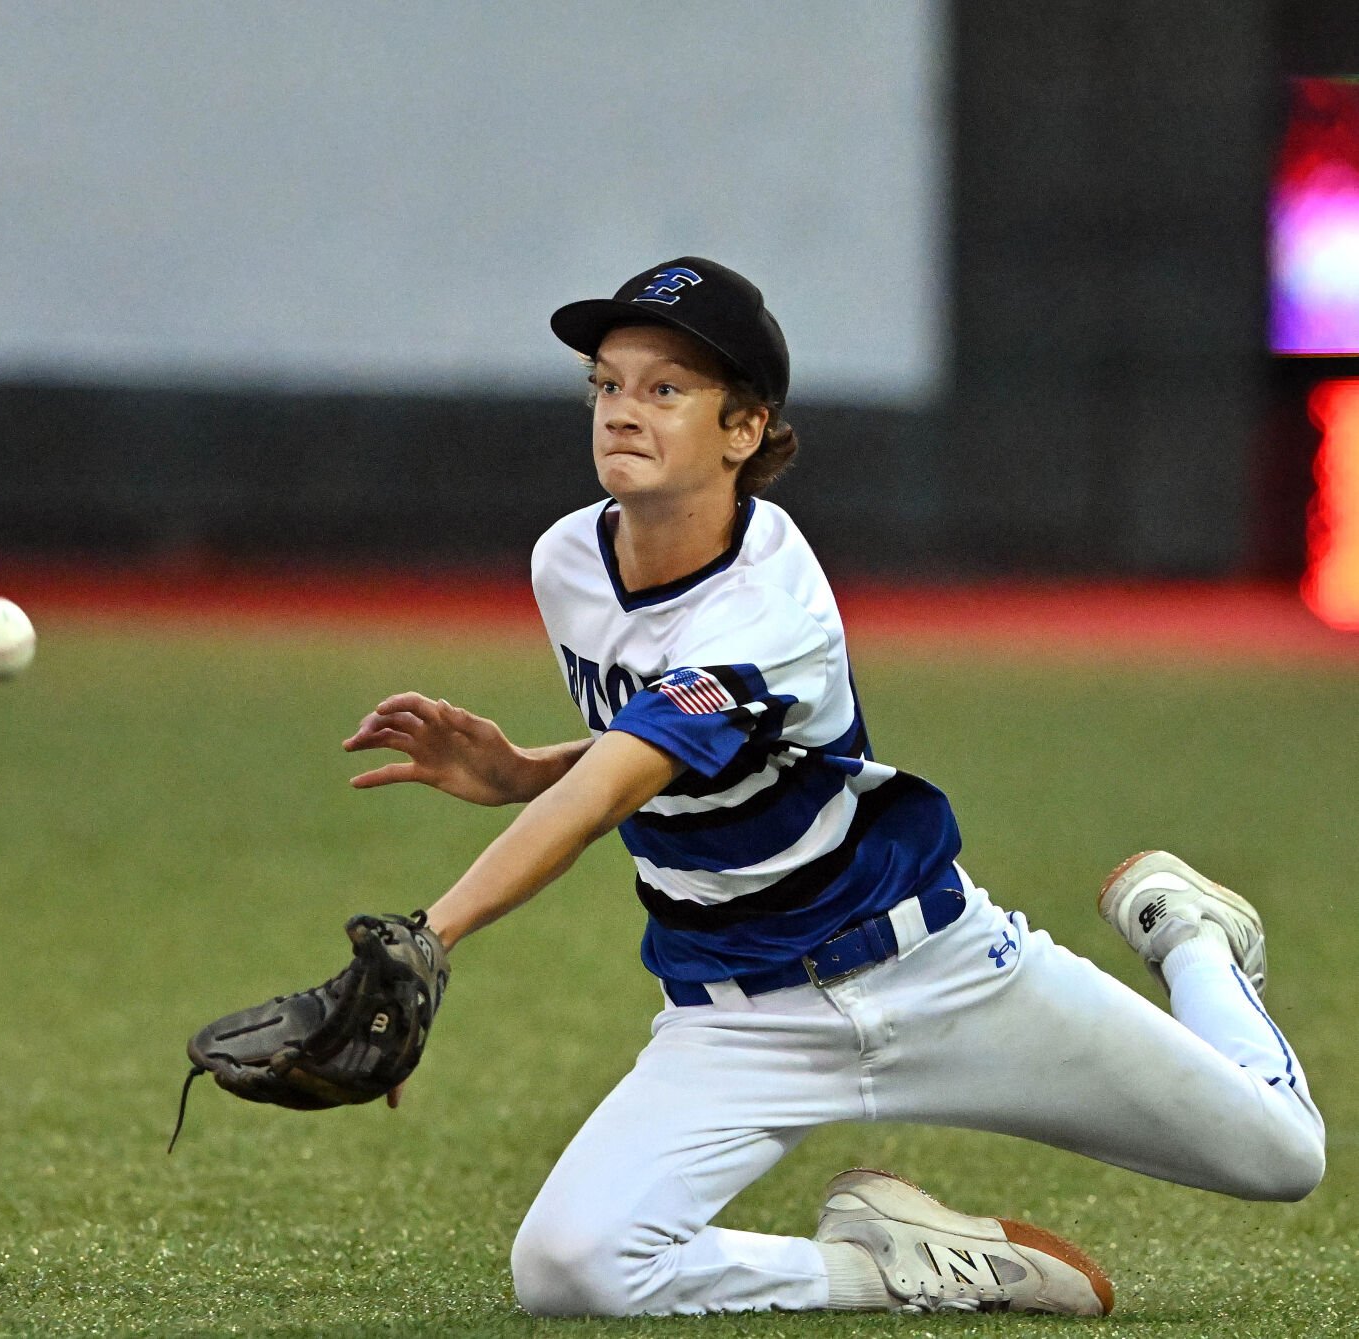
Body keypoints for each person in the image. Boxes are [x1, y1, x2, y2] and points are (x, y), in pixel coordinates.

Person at [338, 257, 1325, 1317]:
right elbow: (668, 749)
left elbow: (624, 779)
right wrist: (528, 770)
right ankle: (887, 1264)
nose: (622, 410)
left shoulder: (770, 605)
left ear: (745, 429)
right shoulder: (567, 562)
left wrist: (430, 934)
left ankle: (1194, 942)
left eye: (665, 388)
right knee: (569, 1270)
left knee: (1280, 1155)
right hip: (738, 1020)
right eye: (607, 383)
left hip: (938, 973)